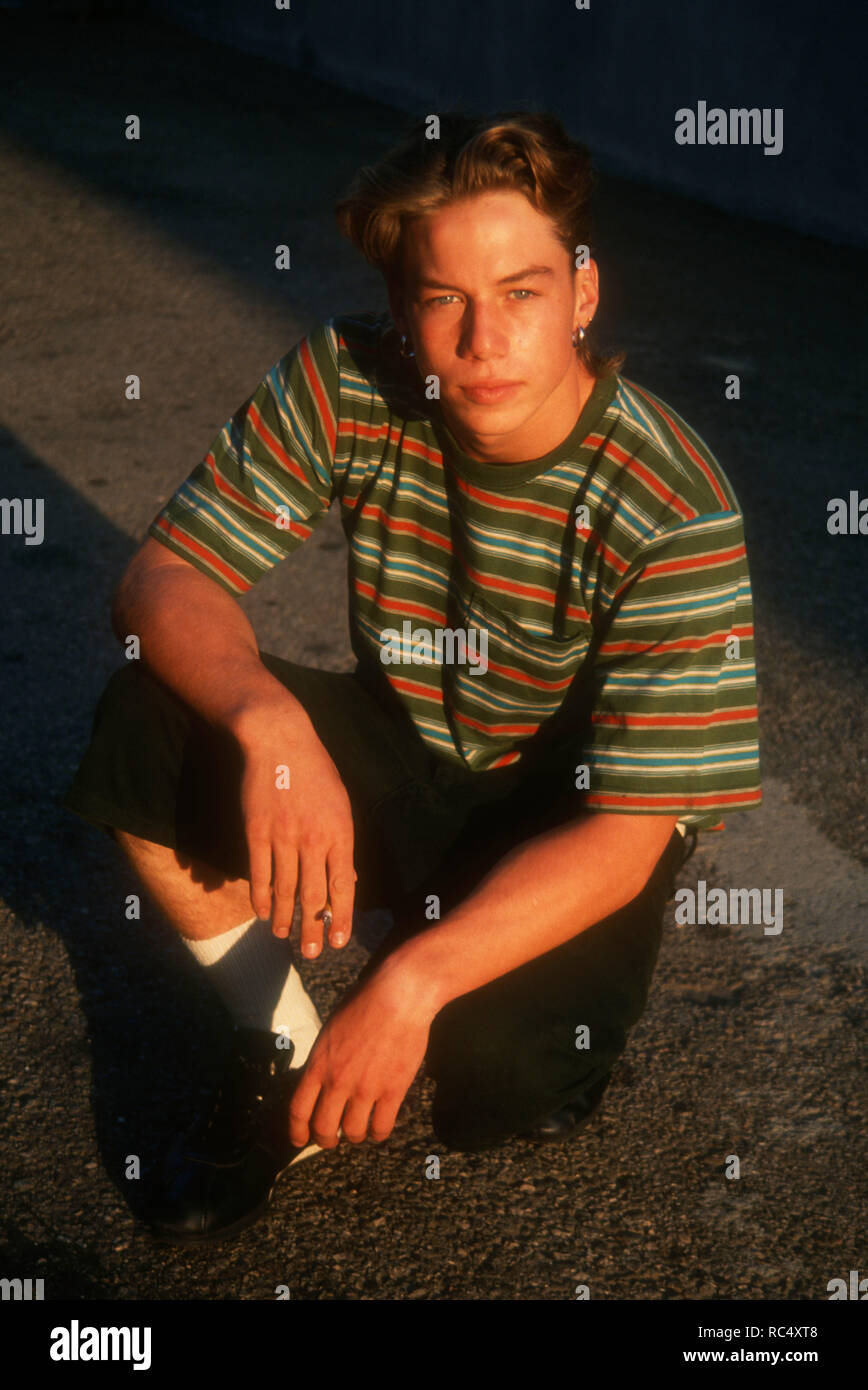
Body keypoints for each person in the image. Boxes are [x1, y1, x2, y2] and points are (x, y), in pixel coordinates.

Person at [62, 110, 762, 1244]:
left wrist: (408, 984)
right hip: (403, 741)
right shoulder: (347, 379)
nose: (483, 341)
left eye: (523, 292)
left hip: (565, 811)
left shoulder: (673, 502)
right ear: (402, 308)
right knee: (145, 718)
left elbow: (632, 829)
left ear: (583, 292)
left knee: (509, 1097)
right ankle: (276, 1041)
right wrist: (271, 728)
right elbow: (161, 577)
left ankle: (451, 959)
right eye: (444, 300)